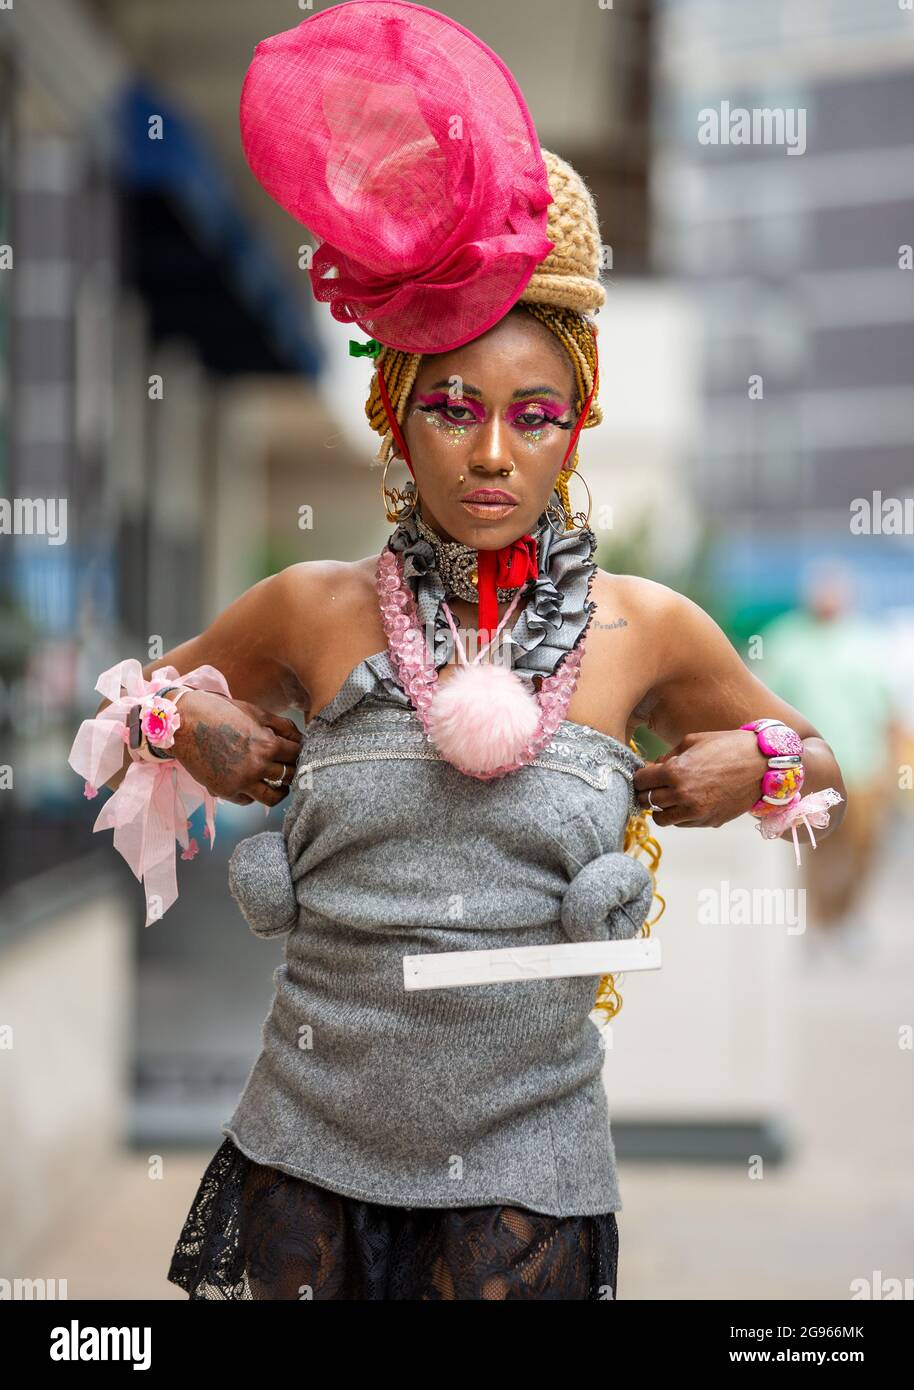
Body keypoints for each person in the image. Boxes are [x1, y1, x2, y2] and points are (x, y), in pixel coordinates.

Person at [68, 2, 846, 1300]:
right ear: (392, 412)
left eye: (535, 415)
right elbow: (129, 709)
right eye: (453, 407)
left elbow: (814, 756)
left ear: (578, 424)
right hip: (305, 1154)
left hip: (523, 1164)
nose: (493, 452)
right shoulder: (309, 609)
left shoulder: (644, 625)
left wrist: (757, 761)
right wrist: (180, 723)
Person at [760, 560, 901, 958]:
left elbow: (889, 711)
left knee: (864, 849)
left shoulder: (868, 642)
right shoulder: (787, 641)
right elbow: (766, 710)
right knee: (815, 852)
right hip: (808, 776)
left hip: (863, 769)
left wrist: (892, 769)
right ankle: (820, 925)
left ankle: (848, 916)